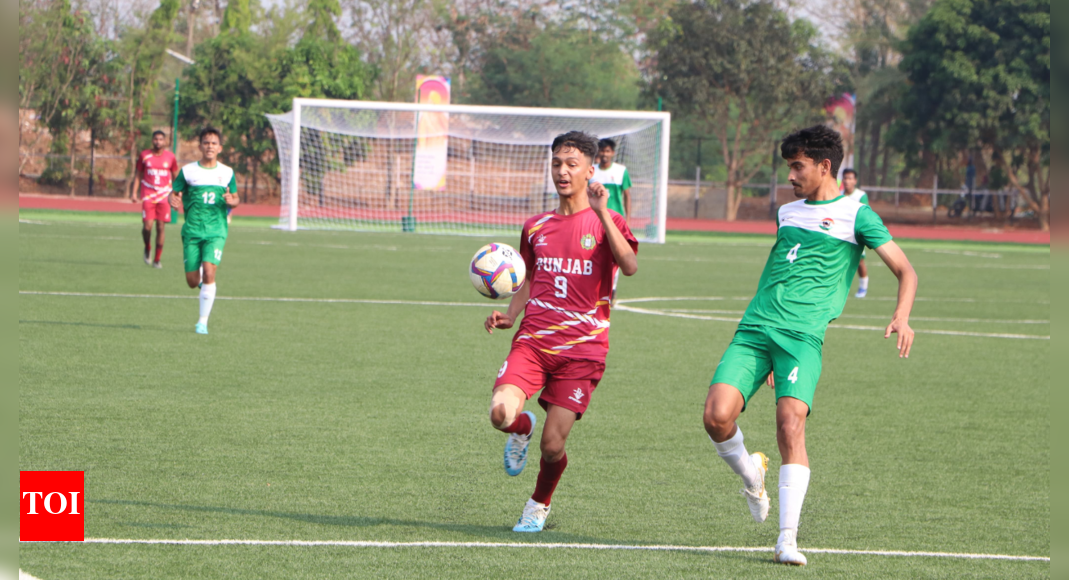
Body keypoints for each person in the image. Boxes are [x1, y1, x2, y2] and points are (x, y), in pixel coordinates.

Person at [701, 125, 917, 566]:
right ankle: (752, 476)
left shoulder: (858, 215)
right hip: (755, 328)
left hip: (801, 339)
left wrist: (902, 315)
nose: (791, 176)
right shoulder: (785, 212)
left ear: (824, 165)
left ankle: (786, 538)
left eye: (798, 166)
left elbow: (906, 270)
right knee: (716, 417)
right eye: (789, 167)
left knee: (789, 425)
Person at [484, 131, 638, 533]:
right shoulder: (535, 226)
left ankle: (538, 504)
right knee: (500, 413)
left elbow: (630, 265)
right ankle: (523, 427)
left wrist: (604, 213)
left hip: (583, 352)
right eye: (557, 164)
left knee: (554, 446)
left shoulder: (609, 221)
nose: (563, 172)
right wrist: (511, 315)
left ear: (591, 169)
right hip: (534, 341)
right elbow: (530, 276)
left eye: (572, 165)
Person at [169, 127, 239, 335]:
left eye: (213, 143)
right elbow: (174, 193)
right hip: (192, 230)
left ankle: (202, 322)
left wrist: (231, 201)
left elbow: (235, 199)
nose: (210, 146)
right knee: (192, 282)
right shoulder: (188, 171)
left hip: (216, 231)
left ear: (220, 148)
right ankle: (202, 284)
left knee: (209, 271)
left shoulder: (227, 173)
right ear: (200, 146)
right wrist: (172, 199)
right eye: (206, 143)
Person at [130, 131, 178, 268]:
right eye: (156, 139)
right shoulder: (145, 155)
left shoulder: (170, 157)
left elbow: (176, 177)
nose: (158, 142)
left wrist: (177, 195)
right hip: (148, 195)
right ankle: (148, 247)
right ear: (152, 140)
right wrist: (134, 192)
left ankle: (157, 260)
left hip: (164, 196)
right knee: (147, 227)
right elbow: (138, 175)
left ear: (165, 141)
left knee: (161, 227)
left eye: (161, 139)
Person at [841, 169, 870, 297]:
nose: (847, 181)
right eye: (845, 178)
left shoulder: (860, 195)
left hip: (855, 234)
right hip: (841, 233)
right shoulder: (838, 194)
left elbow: (864, 214)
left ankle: (863, 288)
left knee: (859, 261)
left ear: (855, 180)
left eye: (850, 178)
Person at [591, 138, 632, 221]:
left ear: (612, 153)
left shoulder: (621, 170)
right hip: (596, 218)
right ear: (598, 152)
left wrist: (627, 219)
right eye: (602, 151)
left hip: (616, 217)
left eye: (607, 151)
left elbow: (627, 195)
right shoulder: (591, 171)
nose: (605, 154)